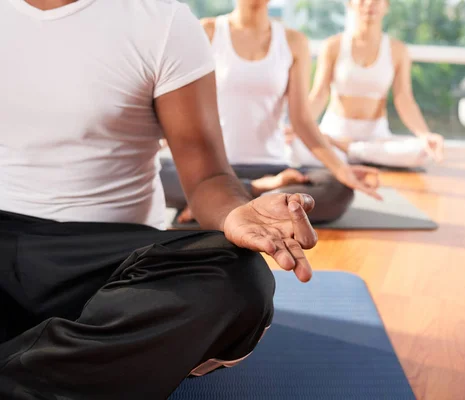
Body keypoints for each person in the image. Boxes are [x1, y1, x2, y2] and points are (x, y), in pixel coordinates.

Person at [0, 1, 320, 399]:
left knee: (238, 280)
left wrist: (236, 212)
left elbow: (207, 173)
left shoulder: (162, 20)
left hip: (116, 259)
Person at [161, 0, 382, 225]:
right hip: (213, 169)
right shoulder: (208, 31)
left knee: (337, 189)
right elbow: (184, 103)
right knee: (155, 174)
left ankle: (217, 204)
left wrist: (341, 169)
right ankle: (256, 194)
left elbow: (302, 120)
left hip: (275, 169)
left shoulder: (294, 42)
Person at [287, 0, 445, 170]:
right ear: (350, 4)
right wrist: (298, 127)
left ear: (386, 5)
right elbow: (319, 95)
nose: (369, 4)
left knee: (423, 151)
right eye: (362, 0)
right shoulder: (332, 46)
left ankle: (347, 150)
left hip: (375, 137)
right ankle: (356, 154)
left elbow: (404, 99)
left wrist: (424, 134)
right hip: (335, 130)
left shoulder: (398, 50)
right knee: (292, 149)